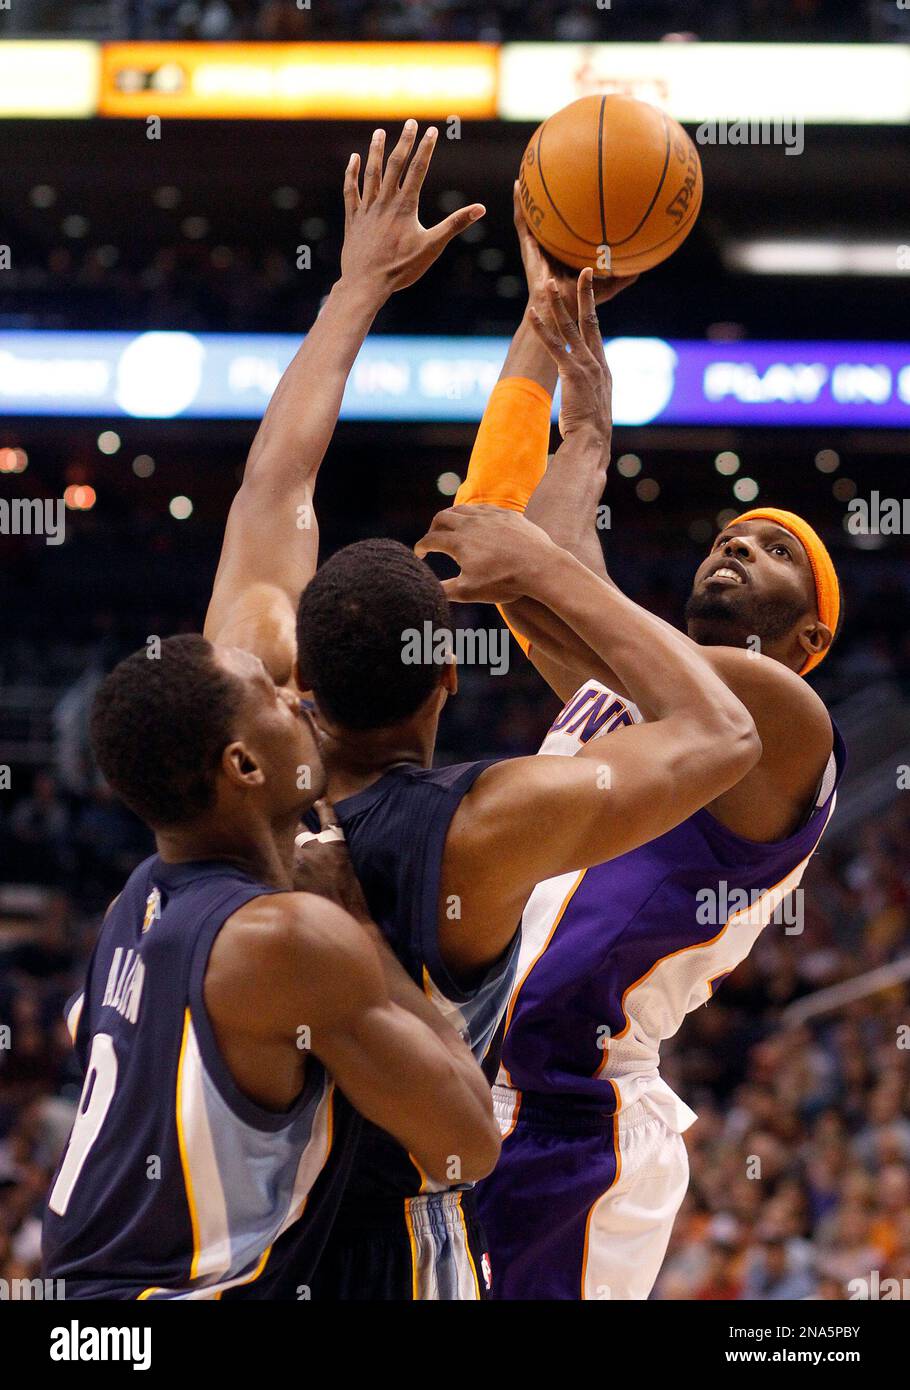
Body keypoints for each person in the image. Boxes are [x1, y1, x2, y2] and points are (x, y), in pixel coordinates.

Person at [205, 124, 761, 1298]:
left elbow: (274, 485)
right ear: (450, 673)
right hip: (402, 1238)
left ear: (294, 668)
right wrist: (575, 481)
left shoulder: (246, 753)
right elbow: (716, 733)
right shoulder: (484, 826)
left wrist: (359, 285)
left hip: (237, 1246)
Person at [452, 191, 845, 1299]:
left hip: (582, 1118)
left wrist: (528, 554)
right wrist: (554, 344)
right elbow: (537, 547)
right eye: (727, 535)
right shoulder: (628, 692)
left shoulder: (782, 718)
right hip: (472, 1091)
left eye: (768, 550)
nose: (734, 549)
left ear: (809, 633)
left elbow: (537, 562)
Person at [41, 634, 500, 1299]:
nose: (299, 698)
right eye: (275, 696)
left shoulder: (129, 905)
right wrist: (361, 924)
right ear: (244, 765)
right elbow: (470, 1143)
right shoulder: (285, 940)